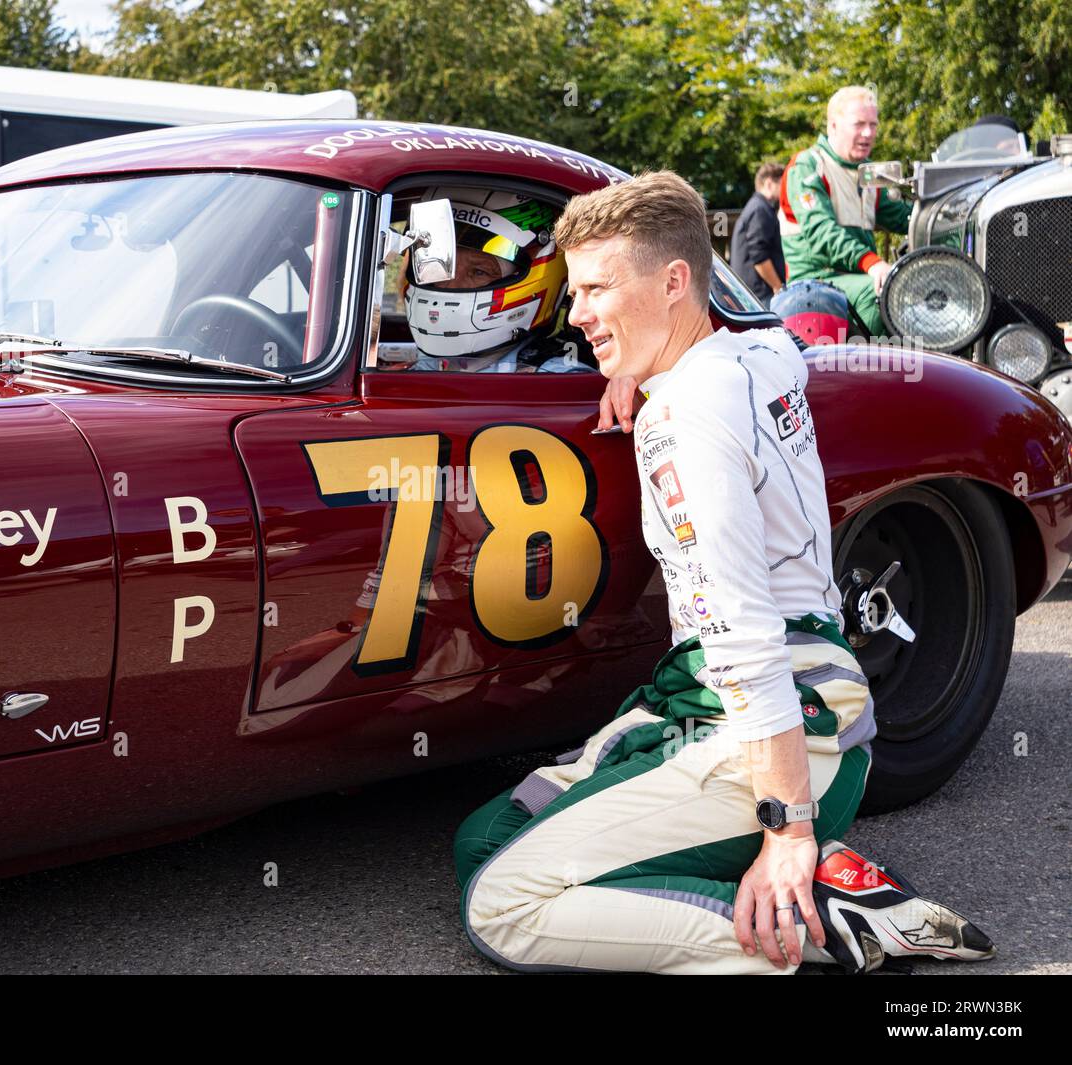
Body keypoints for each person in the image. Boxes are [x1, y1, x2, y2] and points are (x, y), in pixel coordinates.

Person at [452, 170, 996, 975]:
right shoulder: (762, 352)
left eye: (598, 288)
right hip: (755, 695)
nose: (577, 314)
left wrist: (786, 827)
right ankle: (825, 885)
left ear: (674, 281)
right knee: (488, 836)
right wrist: (639, 358)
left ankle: (810, 930)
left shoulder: (684, 419)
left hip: (772, 717)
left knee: (504, 903)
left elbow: (742, 629)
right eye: (577, 291)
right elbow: (766, 336)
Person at [402, 187, 593, 374]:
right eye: (442, 267)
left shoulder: (555, 384)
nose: (451, 284)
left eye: (478, 272)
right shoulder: (427, 366)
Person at [779, 86, 911, 337]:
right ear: (833, 126)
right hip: (814, 281)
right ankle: (879, 373)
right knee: (885, 292)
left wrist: (945, 216)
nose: (868, 133)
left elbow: (903, 216)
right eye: (859, 124)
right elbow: (822, 233)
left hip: (857, 276)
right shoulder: (808, 166)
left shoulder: (869, 173)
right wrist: (872, 264)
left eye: (873, 125)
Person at [730, 162, 786, 305]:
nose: (785, 189)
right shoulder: (760, 209)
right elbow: (759, 255)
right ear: (769, 183)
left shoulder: (757, 206)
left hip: (754, 292)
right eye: (782, 183)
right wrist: (778, 287)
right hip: (759, 295)